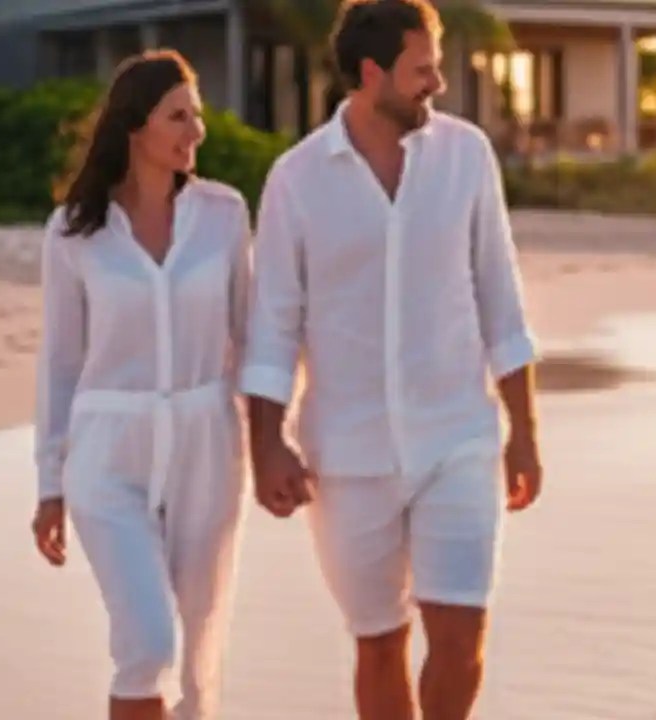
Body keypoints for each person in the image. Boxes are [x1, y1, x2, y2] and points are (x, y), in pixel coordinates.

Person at [241, 1, 544, 718]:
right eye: (422, 70)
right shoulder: (297, 179)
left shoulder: (466, 156)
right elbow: (274, 323)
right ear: (372, 73)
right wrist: (266, 443)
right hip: (348, 455)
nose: (437, 83)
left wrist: (524, 431)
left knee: (461, 631)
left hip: (458, 439)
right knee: (379, 643)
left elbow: (500, 298)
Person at [30, 50, 251, 720]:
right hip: (108, 453)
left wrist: (277, 439)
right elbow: (61, 362)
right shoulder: (74, 231)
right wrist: (50, 484)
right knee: (147, 644)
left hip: (207, 446)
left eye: (197, 115)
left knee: (198, 667)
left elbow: (251, 338)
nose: (196, 131)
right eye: (178, 116)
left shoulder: (224, 214)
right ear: (135, 126)